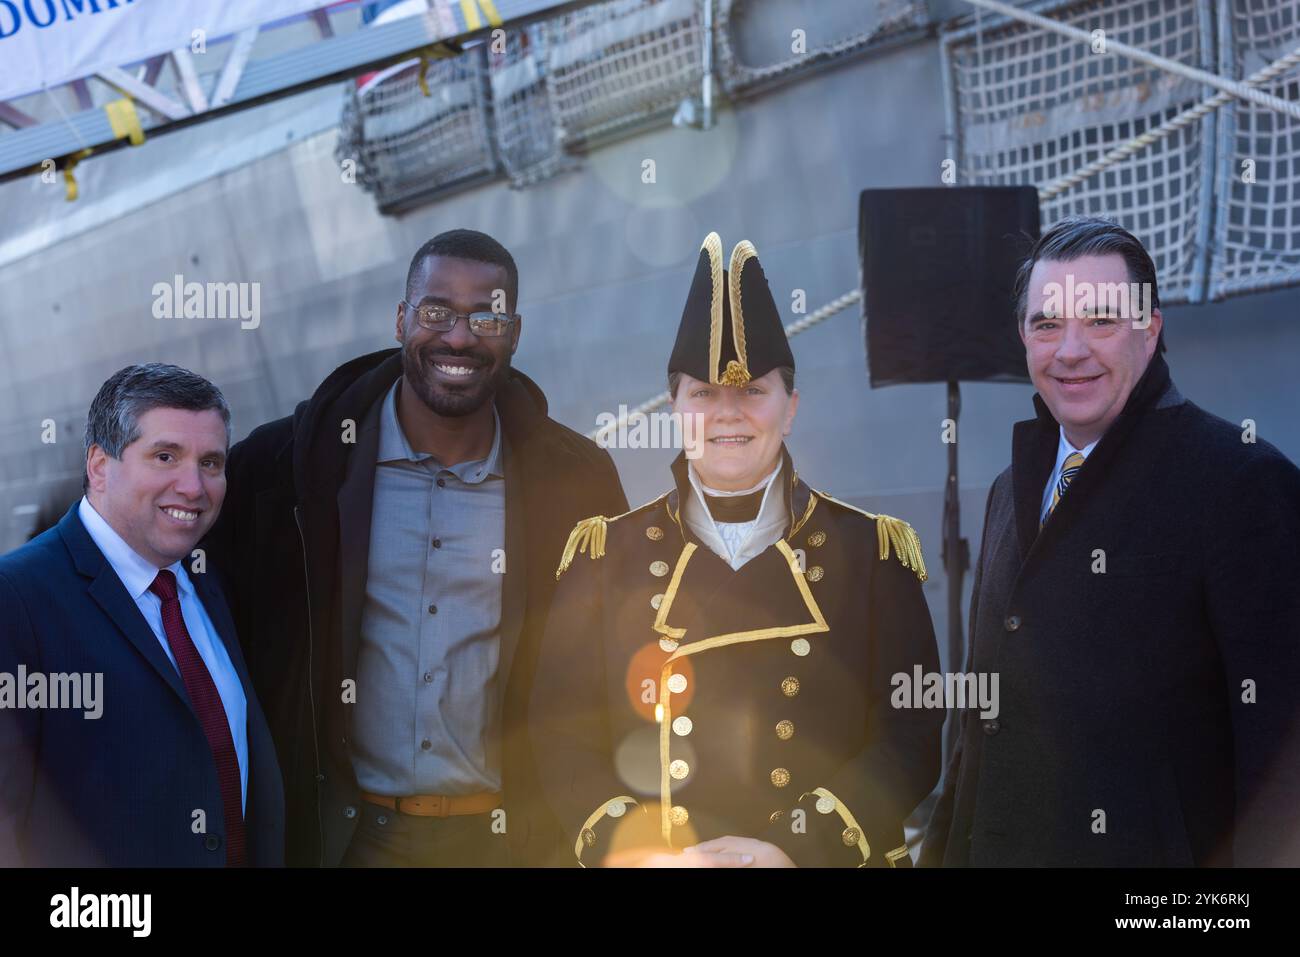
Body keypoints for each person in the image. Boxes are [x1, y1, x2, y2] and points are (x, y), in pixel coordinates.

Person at [204, 229, 627, 867]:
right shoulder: (281, 470)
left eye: (487, 316)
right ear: (402, 319)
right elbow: (188, 622)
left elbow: (615, 663)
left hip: (511, 845)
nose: (459, 337)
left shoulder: (577, 482)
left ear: (513, 332)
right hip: (342, 843)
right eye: (436, 313)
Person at [530, 232, 942, 867]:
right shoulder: (602, 556)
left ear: (791, 407)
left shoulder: (872, 553)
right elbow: (560, 734)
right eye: (704, 394)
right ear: (675, 408)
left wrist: (790, 849)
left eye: (753, 392)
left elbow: (910, 735)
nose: (729, 415)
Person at [921, 216, 1300, 867]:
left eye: (1100, 319)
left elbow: (1281, 762)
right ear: (1023, 337)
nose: (1070, 349)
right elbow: (979, 736)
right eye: (1047, 324)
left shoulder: (1242, 482)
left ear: (1149, 330)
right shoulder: (1007, 493)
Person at [0, 364, 284, 866]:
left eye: (212, 463)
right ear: (99, 465)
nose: (194, 487)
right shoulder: (16, 597)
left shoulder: (209, 584)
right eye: (165, 456)